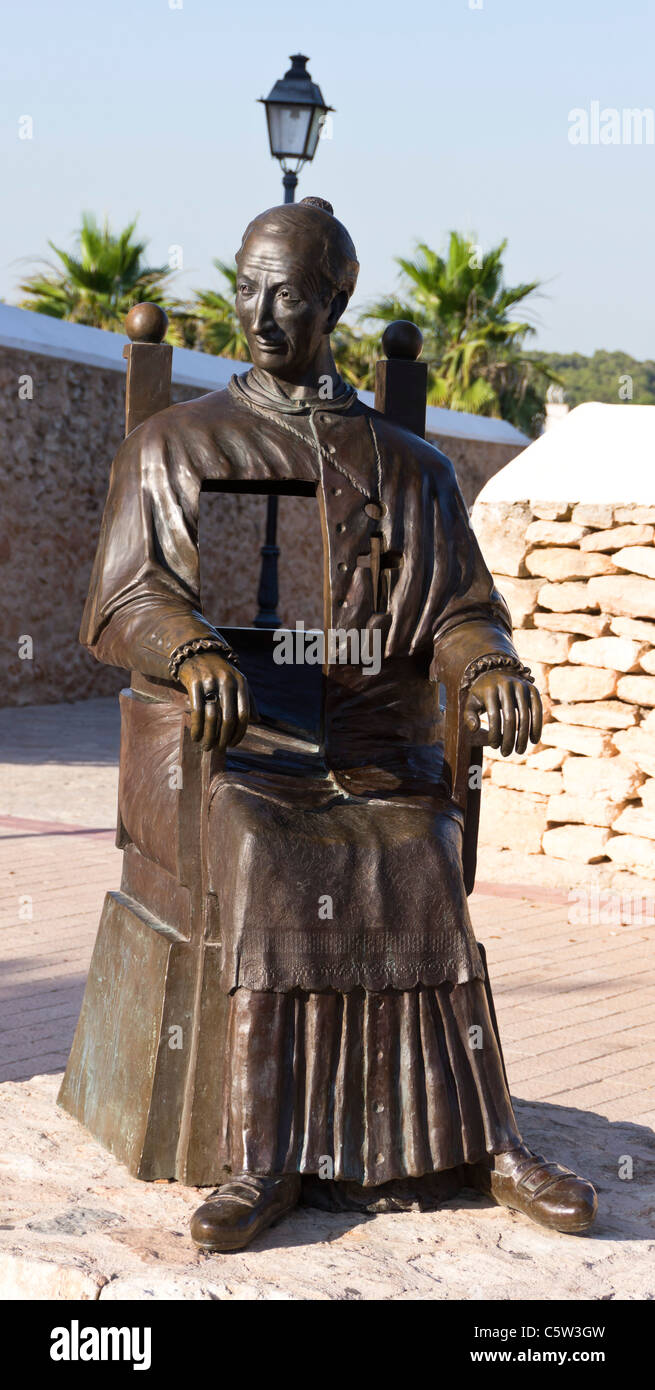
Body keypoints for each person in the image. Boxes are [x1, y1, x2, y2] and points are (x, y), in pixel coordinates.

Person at [81, 197, 597, 1250]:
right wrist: (190, 649)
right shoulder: (174, 445)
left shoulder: (412, 468)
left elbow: (458, 609)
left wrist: (489, 664)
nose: (261, 314)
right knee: (272, 845)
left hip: (365, 743)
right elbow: (127, 598)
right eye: (245, 287)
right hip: (239, 748)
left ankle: (483, 1138)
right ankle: (266, 1158)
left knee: (419, 839)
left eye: (290, 295)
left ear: (336, 303)